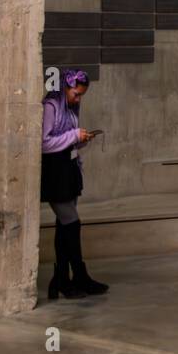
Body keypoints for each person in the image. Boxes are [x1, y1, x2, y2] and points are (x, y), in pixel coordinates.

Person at [41, 69, 109, 300]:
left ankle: (61, 279)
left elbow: (66, 140)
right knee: (72, 223)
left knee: (64, 225)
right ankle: (78, 274)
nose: (78, 99)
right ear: (66, 87)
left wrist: (80, 140)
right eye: (76, 94)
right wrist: (73, 136)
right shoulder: (51, 105)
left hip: (69, 169)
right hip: (54, 171)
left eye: (81, 95)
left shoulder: (71, 107)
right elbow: (44, 142)